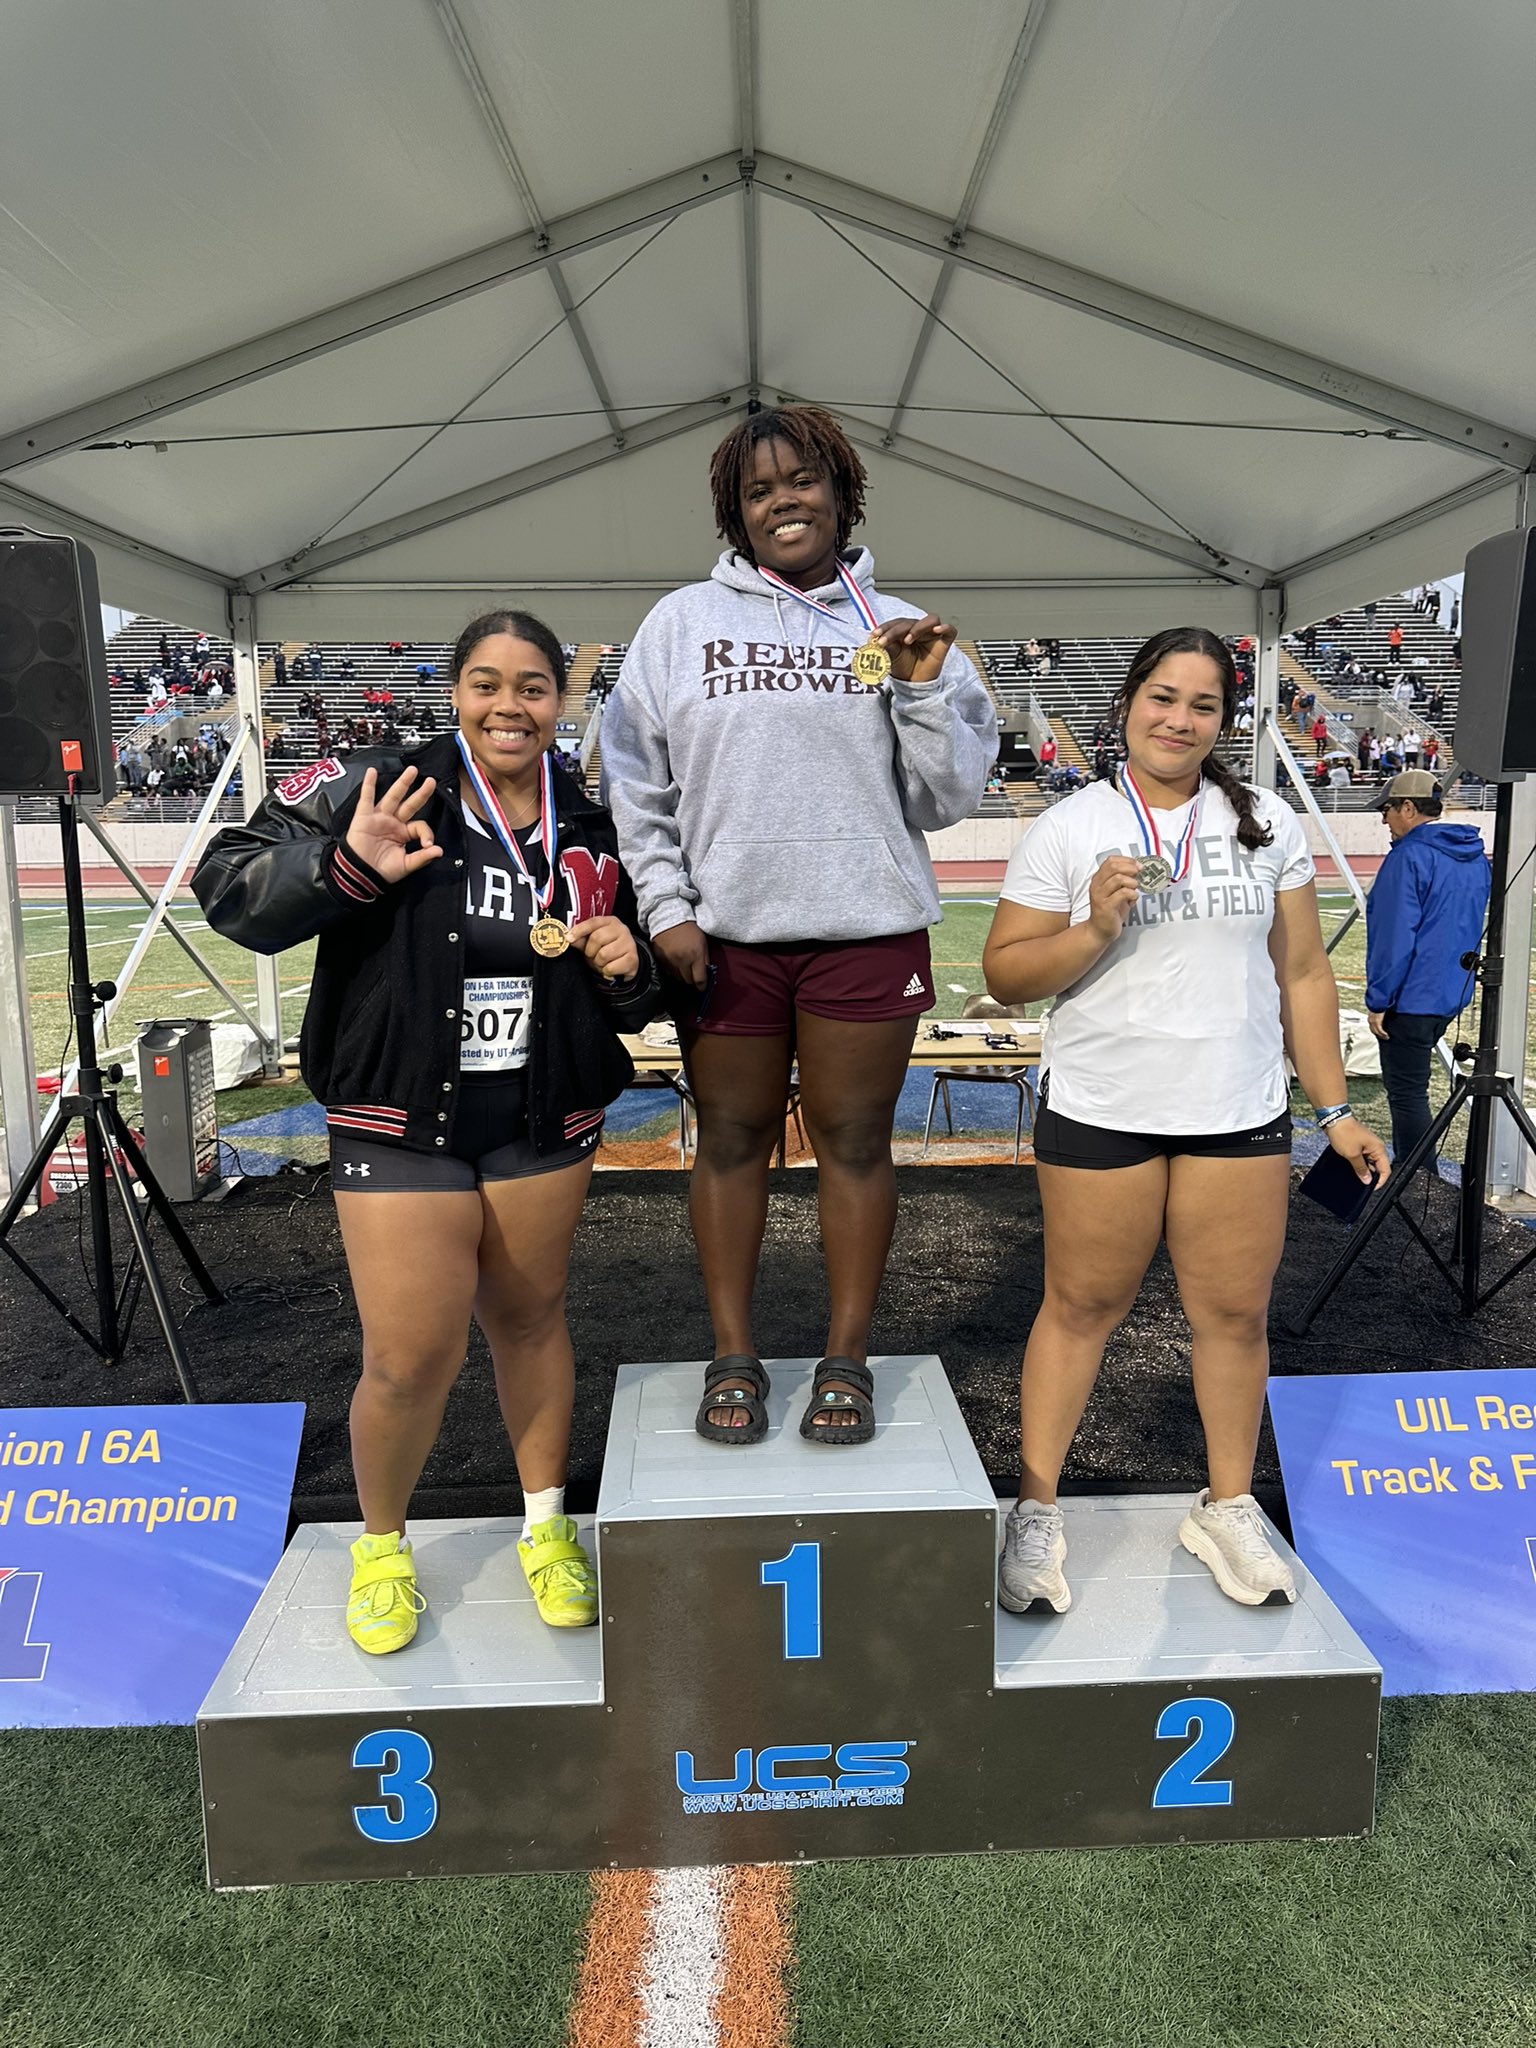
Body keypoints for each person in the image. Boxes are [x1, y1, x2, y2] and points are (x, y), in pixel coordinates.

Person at [194, 609, 659, 1654]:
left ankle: (545, 1526)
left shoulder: (584, 814)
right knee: (410, 1353)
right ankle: (383, 1544)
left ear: (558, 700)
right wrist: (345, 867)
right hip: (401, 1110)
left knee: (532, 1321)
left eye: (534, 686)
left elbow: (622, 983)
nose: (511, 705)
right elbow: (227, 881)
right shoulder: (382, 781)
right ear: (454, 691)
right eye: (488, 683)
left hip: (539, 1112)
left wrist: (630, 967)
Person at [602, 403, 995, 1448]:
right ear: (736, 512)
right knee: (728, 1140)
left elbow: (950, 797)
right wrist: (667, 905)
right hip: (725, 938)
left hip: (865, 931)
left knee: (855, 1143)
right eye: (759, 488)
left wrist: (915, 690)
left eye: (802, 479)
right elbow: (635, 781)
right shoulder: (680, 624)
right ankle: (731, 1353)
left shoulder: (909, 629)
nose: (784, 499)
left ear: (840, 488)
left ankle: (846, 1359)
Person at [982, 627, 1388, 1615]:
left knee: (1234, 1317)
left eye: (1203, 705)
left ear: (1225, 720)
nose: (1180, 718)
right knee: (1079, 1308)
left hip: (1236, 1112)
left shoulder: (1269, 825)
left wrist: (1332, 1110)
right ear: (1128, 702)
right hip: (1104, 1107)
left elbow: (1299, 972)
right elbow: (1005, 972)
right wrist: (1093, 927)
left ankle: (1229, 1502)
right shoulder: (1071, 825)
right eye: (1165, 696)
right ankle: (1035, 1508)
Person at [1366, 770, 1491, 1168]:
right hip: (1452, 993)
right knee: (1414, 1092)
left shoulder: (1407, 857)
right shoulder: (1474, 856)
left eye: (1387, 809)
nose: (1384, 818)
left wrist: (1379, 999)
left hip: (1411, 998)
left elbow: (1394, 937)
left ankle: (1417, 1185)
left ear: (1408, 807)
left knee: (1407, 1095)